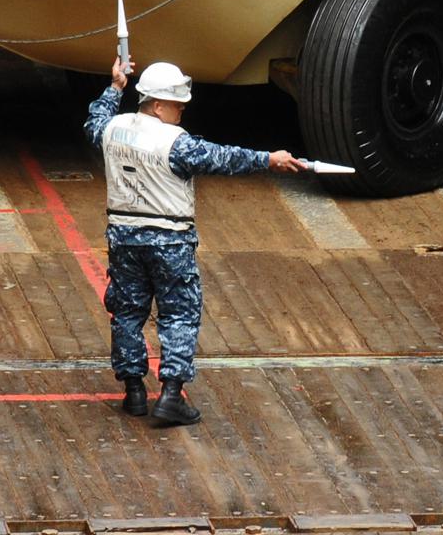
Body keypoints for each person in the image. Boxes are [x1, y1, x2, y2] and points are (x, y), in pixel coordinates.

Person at [85, 55, 306, 426]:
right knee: (179, 315)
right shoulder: (176, 142)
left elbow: (94, 122)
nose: (182, 112)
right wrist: (269, 160)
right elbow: (223, 158)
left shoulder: (112, 129)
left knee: (126, 312)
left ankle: (134, 391)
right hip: (170, 240)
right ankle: (171, 394)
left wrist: (115, 86)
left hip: (123, 238)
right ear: (157, 105)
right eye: (177, 105)